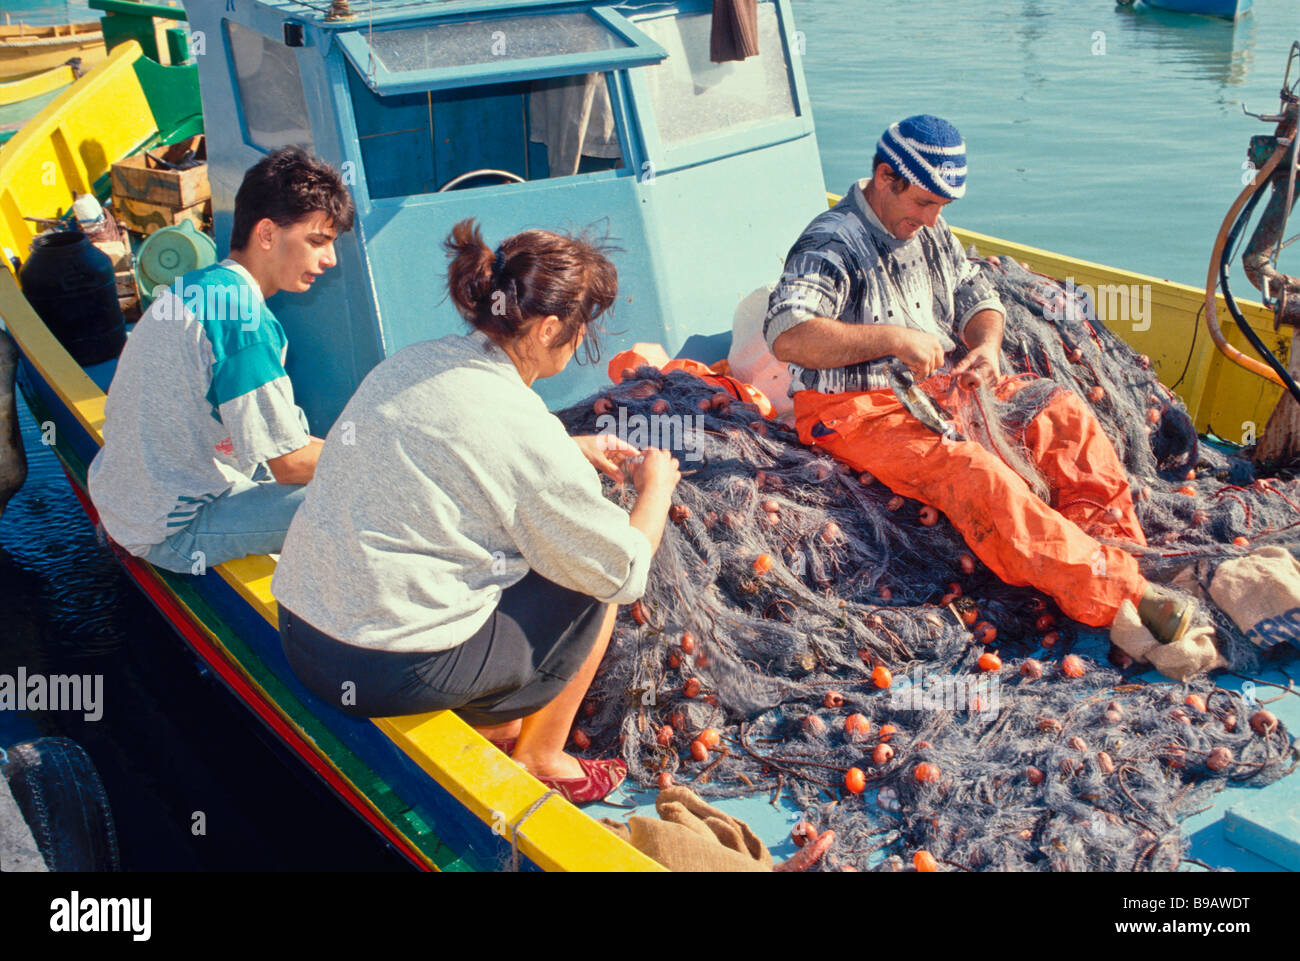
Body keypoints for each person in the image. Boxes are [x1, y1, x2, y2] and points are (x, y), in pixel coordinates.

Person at [271, 219, 681, 804]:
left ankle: (492, 718)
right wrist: (656, 490)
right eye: (580, 325)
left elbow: (454, 448)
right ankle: (543, 757)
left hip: (303, 633)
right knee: (598, 574)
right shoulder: (520, 424)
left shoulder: (413, 362)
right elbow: (623, 569)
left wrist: (571, 448)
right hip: (377, 672)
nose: (582, 338)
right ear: (546, 329)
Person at [765, 114, 1194, 643]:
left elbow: (978, 297)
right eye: (923, 202)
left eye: (940, 207)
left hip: (936, 390)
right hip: (851, 410)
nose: (930, 217)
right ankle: (1119, 595)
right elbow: (787, 333)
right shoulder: (830, 242)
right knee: (974, 473)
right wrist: (892, 338)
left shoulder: (930, 230)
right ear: (883, 177)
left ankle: (1112, 549)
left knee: (1058, 410)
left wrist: (986, 346)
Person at [89, 146, 354, 574]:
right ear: (267, 234)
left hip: (127, 495)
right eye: (317, 241)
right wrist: (387, 452)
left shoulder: (199, 285)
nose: (330, 259)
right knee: (360, 494)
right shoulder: (242, 323)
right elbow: (289, 465)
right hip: (171, 529)